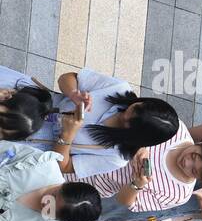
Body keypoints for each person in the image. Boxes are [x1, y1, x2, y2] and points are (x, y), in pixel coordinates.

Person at [6, 63, 180, 177]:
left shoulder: (116, 156)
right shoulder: (119, 89)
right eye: (136, 107)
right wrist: (74, 93)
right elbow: (67, 78)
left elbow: (64, 167)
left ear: (137, 135)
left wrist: (67, 136)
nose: (126, 114)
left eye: (131, 122)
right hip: (33, 102)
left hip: (31, 143)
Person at [73, 131, 202, 221]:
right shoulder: (175, 131)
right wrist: (137, 146)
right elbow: (127, 123)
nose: (186, 163)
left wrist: (136, 184)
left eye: (194, 171)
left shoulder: (178, 195)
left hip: (89, 183)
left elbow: (124, 202)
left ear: (201, 179)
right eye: (194, 156)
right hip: (88, 149)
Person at [0, 141, 102, 221]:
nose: (45, 203)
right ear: (66, 184)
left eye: (51, 211)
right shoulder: (41, 163)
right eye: (53, 195)